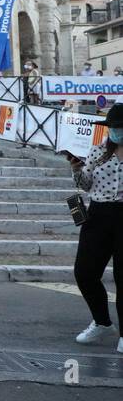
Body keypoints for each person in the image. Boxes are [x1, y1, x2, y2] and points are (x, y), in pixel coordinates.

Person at [67, 104, 123, 353]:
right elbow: (86, 186)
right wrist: (76, 168)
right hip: (98, 213)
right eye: (111, 128)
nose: (115, 132)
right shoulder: (99, 151)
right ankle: (101, 322)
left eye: (119, 128)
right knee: (85, 272)